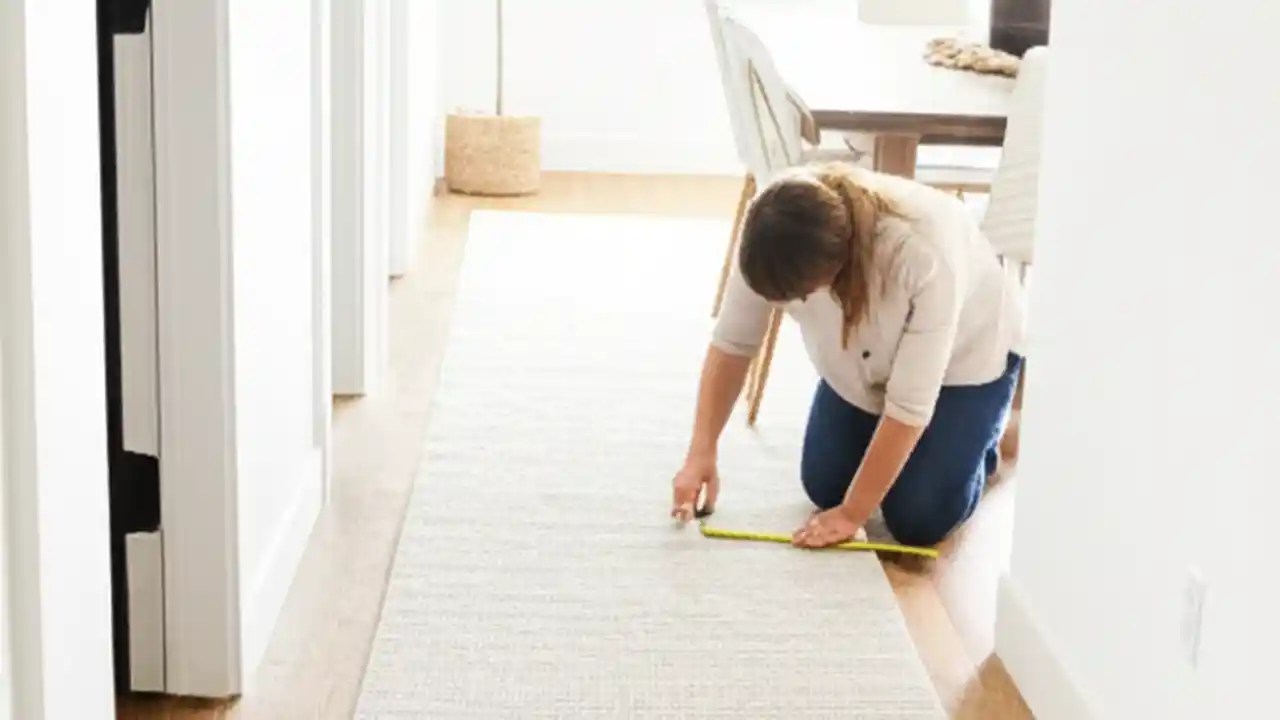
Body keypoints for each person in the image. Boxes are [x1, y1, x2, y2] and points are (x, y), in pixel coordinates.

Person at [670, 162, 1026, 549]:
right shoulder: (770, 230)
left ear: (831, 274)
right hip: (864, 366)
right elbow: (733, 344)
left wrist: (852, 515)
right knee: (826, 485)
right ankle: (917, 449)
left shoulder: (922, 254)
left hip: (966, 363)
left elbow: (909, 404)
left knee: (918, 517)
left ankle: (982, 444)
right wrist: (701, 451)